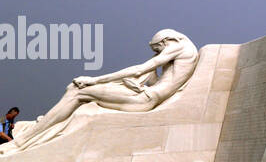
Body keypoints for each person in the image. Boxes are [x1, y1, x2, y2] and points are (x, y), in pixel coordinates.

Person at [7, 30, 198, 152]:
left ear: (166, 41)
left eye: (157, 49)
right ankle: (39, 128)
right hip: (144, 95)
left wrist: (94, 79)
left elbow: (141, 69)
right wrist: (132, 82)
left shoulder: (178, 46)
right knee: (75, 88)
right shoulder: (184, 51)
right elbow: (152, 77)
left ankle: (22, 141)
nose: (157, 53)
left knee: (78, 91)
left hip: (144, 100)